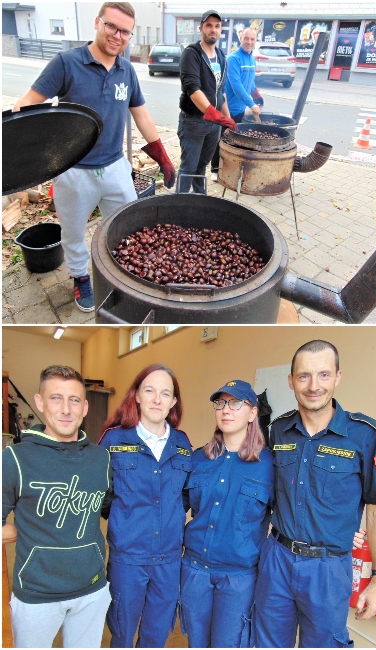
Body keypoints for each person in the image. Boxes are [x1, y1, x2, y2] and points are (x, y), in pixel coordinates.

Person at [10, 1, 175, 312]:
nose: (117, 35)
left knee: (128, 226)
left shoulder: (127, 70)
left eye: (125, 31)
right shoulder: (66, 63)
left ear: (130, 36)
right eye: (111, 26)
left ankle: (120, 272)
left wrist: (162, 157)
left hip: (115, 168)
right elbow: (29, 104)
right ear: (98, 23)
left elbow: (141, 115)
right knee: (72, 232)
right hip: (74, 172)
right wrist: (20, 152)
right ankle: (81, 277)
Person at [254, 340, 376, 647]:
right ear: (291, 381)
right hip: (276, 558)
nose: (313, 386)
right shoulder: (277, 431)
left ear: (338, 377)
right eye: (304, 376)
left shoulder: (365, 435)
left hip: (328, 570)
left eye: (323, 375)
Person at [2, 366, 112, 648]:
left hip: (92, 589)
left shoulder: (101, 458)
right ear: (39, 402)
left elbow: (109, 508)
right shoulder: (15, 458)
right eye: (55, 398)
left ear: (85, 407)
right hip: (37, 595)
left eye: (74, 400)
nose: (66, 409)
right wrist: (15, 531)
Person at [99, 364, 193, 647]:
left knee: (156, 635)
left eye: (165, 394)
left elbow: (184, 495)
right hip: (128, 560)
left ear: (173, 402)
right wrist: (126, 522)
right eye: (149, 391)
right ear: (137, 395)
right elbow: (103, 496)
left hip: (168, 560)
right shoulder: (114, 440)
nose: (156, 399)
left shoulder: (182, 443)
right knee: (122, 633)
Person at [179, 380, 272, 648]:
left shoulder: (269, 465)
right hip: (195, 572)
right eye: (220, 403)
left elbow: (290, 514)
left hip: (238, 579)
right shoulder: (198, 459)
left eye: (235, 403)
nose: (226, 410)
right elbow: (174, 509)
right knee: (196, 643)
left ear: (252, 413)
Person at [178, 9, 236, 193]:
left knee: (202, 166)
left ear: (221, 30)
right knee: (188, 168)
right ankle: (176, 209)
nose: (213, 29)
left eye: (217, 26)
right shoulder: (192, 54)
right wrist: (215, 115)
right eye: (209, 25)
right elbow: (193, 89)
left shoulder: (221, 56)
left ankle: (198, 203)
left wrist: (228, 120)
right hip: (194, 121)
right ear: (201, 28)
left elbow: (222, 92)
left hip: (214, 125)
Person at [224, 26, 262, 124]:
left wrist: (257, 97)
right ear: (240, 38)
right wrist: (251, 104)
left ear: (255, 41)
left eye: (252, 39)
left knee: (237, 138)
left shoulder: (252, 60)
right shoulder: (233, 58)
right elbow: (236, 85)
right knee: (226, 138)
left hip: (240, 109)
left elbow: (250, 81)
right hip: (228, 110)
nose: (249, 42)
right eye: (246, 38)